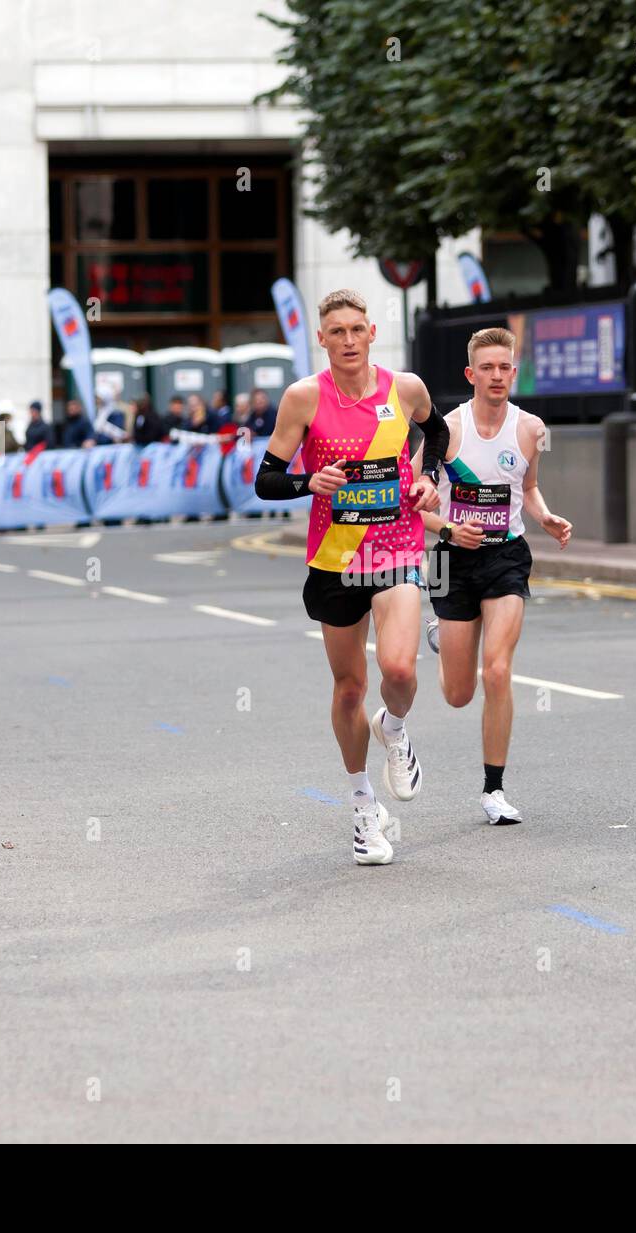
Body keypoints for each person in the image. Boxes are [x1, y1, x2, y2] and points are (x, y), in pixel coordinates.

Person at [254, 289, 448, 866]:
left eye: (356, 329)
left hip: (396, 549)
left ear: (371, 333)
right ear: (322, 339)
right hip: (335, 559)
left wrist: (428, 477)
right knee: (348, 688)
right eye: (335, 332)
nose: (347, 341)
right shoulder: (304, 397)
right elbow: (266, 478)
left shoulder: (404, 389)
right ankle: (363, 807)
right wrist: (306, 482)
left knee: (398, 670)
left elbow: (435, 435)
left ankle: (395, 725)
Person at [419, 327, 572, 825]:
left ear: (513, 371)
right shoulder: (445, 430)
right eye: (487, 367)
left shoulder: (531, 428)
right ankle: (440, 634)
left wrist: (544, 515)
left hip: (506, 555)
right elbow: (414, 504)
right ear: (471, 374)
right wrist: (447, 528)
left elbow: (527, 486)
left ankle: (494, 791)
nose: (497, 375)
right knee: (458, 694)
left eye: (505, 367)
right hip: (449, 559)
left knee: (499, 671)